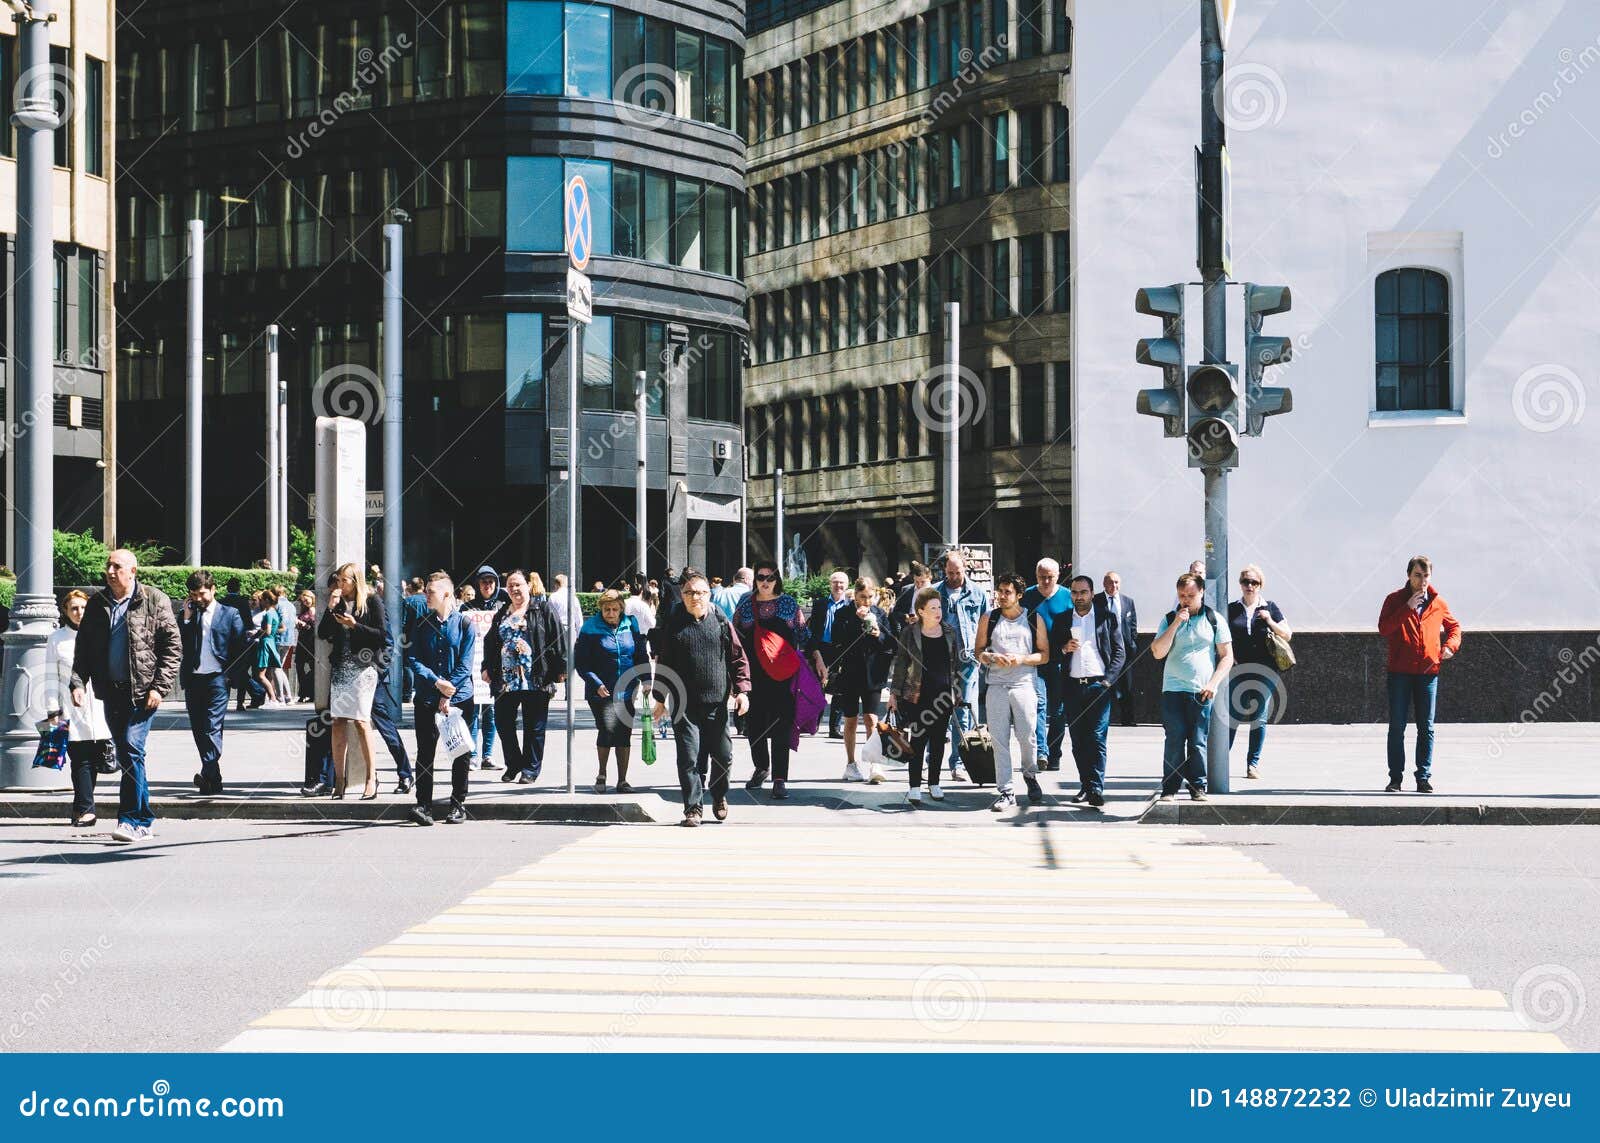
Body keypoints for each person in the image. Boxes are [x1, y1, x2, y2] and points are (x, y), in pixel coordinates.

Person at [69, 549, 181, 844]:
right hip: (111, 692)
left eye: (117, 566)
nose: (110, 571)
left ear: (133, 571)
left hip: (143, 693)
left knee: (131, 748)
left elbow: (172, 647)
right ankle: (143, 819)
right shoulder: (98, 603)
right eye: (108, 566)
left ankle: (131, 820)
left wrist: (159, 687)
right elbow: (84, 648)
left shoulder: (154, 599)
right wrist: (78, 683)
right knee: (130, 755)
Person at [652, 570, 751, 827]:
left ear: (709, 594)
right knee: (689, 757)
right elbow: (665, 663)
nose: (695, 597)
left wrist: (742, 691)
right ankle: (693, 809)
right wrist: (660, 699)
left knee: (723, 755)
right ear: (682, 595)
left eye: (700, 592)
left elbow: (737, 658)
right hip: (683, 704)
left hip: (716, 702)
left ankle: (719, 795)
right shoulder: (674, 624)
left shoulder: (720, 620)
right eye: (689, 592)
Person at [1379, 556, 1461, 794]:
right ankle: (1395, 779)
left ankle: (1423, 778)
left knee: (1426, 727)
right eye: (1417, 575)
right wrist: (1407, 608)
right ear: (1408, 575)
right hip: (1399, 673)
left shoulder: (1437, 602)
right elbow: (1384, 628)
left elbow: (1454, 627)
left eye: (1426, 576)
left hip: (1428, 673)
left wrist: (1450, 646)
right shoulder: (1394, 600)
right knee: (1397, 727)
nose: (1423, 581)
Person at [1151, 572, 1234, 802]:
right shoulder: (1169, 619)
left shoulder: (1213, 618)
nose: (1185, 600)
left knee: (1198, 741)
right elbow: (1157, 652)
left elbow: (1227, 656)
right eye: (1181, 596)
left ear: (1201, 592)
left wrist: (1213, 683)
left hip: (1202, 690)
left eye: (1190, 595)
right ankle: (1170, 788)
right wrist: (1177, 623)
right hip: (1173, 689)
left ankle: (1197, 786)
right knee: (1174, 738)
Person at [974, 573, 1050, 811]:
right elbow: (979, 651)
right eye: (999, 591)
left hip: (1024, 684)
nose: (1002, 596)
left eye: (1007, 592)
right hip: (997, 684)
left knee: (1027, 736)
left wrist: (1021, 659)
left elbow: (1044, 655)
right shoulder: (989, 618)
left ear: (1019, 595)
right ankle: (1006, 791)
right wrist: (991, 657)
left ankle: (1030, 774)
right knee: (999, 740)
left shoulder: (1033, 618)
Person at [734, 560, 810, 799]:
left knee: (781, 727)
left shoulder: (788, 604)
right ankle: (761, 767)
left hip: (783, 677)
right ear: (754, 579)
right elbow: (734, 639)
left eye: (770, 578)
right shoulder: (746, 604)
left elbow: (804, 635)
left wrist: (816, 661)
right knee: (754, 726)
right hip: (753, 676)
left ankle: (779, 778)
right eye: (760, 577)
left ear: (777, 580)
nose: (765, 582)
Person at [406, 572, 477, 824]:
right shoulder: (421, 623)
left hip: (459, 698)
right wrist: (437, 683)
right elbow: (413, 658)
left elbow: (466, 664)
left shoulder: (465, 624)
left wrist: (449, 690)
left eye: (431, 591)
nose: (426, 595)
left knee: (460, 752)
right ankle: (423, 804)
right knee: (425, 752)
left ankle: (457, 804)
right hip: (427, 697)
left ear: (446, 594)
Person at [483, 569, 565, 785]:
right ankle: (514, 763)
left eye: (518, 584)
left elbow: (557, 637)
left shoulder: (543, 609)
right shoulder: (502, 612)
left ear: (528, 585)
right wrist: (486, 667)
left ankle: (530, 769)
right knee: (503, 723)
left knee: (534, 726)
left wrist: (561, 667)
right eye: (510, 585)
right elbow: (490, 643)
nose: (514, 589)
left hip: (535, 677)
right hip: (505, 680)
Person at [887, 587, 962, 805]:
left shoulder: (949, 632)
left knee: (938, 741)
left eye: (939, 607)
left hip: (943, 696)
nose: (938, 612)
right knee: (918, 741)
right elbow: (901, 664)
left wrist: (956, 690)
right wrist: (894, 694)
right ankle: (914, 786)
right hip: (917, 695)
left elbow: (955, 665)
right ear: (921, 611)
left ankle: (934, 783)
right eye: (933, 608)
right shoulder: (910, 633)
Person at [317, 563, 385, 800]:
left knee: (361, 722)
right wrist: (330, 607)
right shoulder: (338, 603)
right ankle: (339, 780)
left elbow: (381, 636)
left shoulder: (371, 601)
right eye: (338, 580)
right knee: (337, 722)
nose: (340, 584)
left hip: (363, 669)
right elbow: (323, 633)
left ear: (355, 581)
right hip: (340, 669)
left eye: (344, 580)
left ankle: (371, 778)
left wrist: (355, 626)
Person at [1057, 575, 1126, 808]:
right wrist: (1064, 648)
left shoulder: (1106, 617)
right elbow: (1052, 652)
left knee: (1096, 738)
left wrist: (1107, 681)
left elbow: (1119, 652)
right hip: (1073, 686)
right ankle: (1085, 786)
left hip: (1098, 686)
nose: (1079, 597)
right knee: (1078, 741)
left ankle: (1096, 788)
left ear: (1092, 593)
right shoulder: (1063, 619)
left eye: (1083, 592)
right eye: (1075, 593)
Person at [177, 571, 248, 795]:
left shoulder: (230, 614)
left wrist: (231, 675)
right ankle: (212, 779)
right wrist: (186, 618)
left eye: (202, 593)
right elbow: (180, 643)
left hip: (218, 678)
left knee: (212, 727)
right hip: (193, 678)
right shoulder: (188, 615)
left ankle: (207, 773)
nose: (198, 599)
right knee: (199, 730)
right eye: (193, 595)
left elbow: (242, 647)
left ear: (213, 589)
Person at [50, 591, 113, 828]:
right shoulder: (56, 639)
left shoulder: (100, 634)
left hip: (99, 706)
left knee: (95, 760)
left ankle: (80, 807)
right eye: (74, 608)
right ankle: (87, 810)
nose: (79, 613)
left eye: (83, 608)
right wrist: (52, 711)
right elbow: (49, 677)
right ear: (65, 612)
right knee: (79, 759)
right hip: (71, 708)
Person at [1227, 564, 1293, 780]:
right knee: (1232, 716)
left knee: (1258, 717)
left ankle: (1252, 764)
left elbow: (1287, 634)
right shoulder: (1231, 608)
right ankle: (1220, 761)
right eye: (1245, 581)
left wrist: (1269, 620)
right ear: (1240, 584)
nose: (1249, 585)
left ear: (1260, 585)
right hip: (1238, 669)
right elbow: (1222, 636)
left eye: (1254, 582)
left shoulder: (1270, 607)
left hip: (1266, 670)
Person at [574, 589, 642, 793]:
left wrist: (647, 680)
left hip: (627, 689)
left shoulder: (631, 624)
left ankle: (622, 780)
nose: (610, 613)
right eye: (606, 610)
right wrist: (596, 683)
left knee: (624, 732)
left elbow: (640, 655)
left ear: (621, 609)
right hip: (601, 691)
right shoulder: (590, 628)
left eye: (614, 609)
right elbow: (581, 663)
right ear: (601, 609)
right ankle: (602, 773)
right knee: (608, 729)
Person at [827, 576, 893, 782]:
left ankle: (875, 764)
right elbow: (837, 641)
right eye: (862, 596)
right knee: (851, 719)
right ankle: (851, 764)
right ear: (855, 595)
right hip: (850, 672)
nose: (866, 601)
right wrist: (858, 622)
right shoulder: (843, 614)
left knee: (872, 718)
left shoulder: (880, 614)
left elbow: (890, 643)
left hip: (873, 673)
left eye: (870, 596)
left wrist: (878, 634)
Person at [937, 551, 990, 783]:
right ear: (944, 571)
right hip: (940, 659)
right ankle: (931, 759)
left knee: (964, 709)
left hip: (968, 659)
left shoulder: (977, 593)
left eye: (957, 572)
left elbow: (985, 624)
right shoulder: (935, 592)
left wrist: (982, 653)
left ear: (965, 568)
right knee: (936, 710)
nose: (954, 577)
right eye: (950, 573)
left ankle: (958, 763)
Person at [1022, 558, 1075, 772]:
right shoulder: (1027, 596)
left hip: (1060, 661)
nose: (1045, 581)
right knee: (1038, 705)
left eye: (1050, 577)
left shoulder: (1067, 597)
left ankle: (1054, 754)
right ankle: (1041, 752)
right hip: (1036, 660)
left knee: (1059, 711)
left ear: (1058, 576)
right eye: (1041, 577)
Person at [459, 575, 502, 772]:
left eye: (491, 582)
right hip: (473, 667)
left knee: (491, 713)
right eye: (484, 582)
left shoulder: (502, 607)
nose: (487, 586)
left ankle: (488, 756)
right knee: (473, 714)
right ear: (478, 585)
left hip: (493, 668)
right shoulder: (466, 608)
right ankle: (473, 755)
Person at [806, 570, 853, 739]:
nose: (838, 585)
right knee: (818, 687)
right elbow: (812, 630)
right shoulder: (820, 604)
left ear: (847, 585)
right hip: (821, 649)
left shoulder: (851, 605)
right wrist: (814, 651)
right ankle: (814, 724)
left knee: (840, 689)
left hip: (841, 649)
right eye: (835, 582)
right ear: (830, 584)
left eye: (841, 582)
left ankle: (835, 728)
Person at [1096, 572, 1139, 727]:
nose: (1114, 585)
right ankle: (1103, 718)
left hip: (1125, 649)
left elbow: (1132, 624)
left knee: (1127, 685)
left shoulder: (1128, 601)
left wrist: (1132, 642)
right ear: (1104, 584)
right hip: (1105, 648)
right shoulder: (1096, 601)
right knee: (1105, 683)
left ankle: (1128, 719)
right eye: (1110, 582)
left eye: (1116, 582)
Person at [221, 577, 265, 710]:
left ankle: (224, 702)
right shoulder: (242, 602)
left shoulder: (221, 602)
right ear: (238, 588)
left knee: (225, 672)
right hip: (241, 643)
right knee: (242, 671)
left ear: (227, 588)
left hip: (225, 642)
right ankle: (240, 702)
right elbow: (248, 623)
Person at [250, 590, 283, 705]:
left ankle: (272, 699)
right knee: (268, 674)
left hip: (265, 643)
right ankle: (272, 698)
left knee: (260, 675)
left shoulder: (268, 613)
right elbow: (277, 629)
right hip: (271, 642)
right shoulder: (275, 613)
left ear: (267, 600)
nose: (261, 602)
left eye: (262, 600)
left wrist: (256, 633)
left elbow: (267, 631)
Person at [547, 572, 584, 655]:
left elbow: (549, 616)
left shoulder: (552, 597)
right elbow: (578, 618)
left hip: (557, 630)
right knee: (571, 654)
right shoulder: (573, 598)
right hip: (571, 629)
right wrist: (579, 635)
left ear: (556, 584)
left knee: (558, 655)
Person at [890, 561, 933, 629]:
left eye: (923, 582)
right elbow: (896, 611)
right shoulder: (906, 590)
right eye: (916, 581)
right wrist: (905, 617)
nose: (919, 585)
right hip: (910, 630)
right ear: (913, 578)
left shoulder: (937, 591)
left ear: (930, 578)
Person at [294, 589, 317, 701]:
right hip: (302, 640)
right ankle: (304, 692)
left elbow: (314, 627)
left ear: (312, 598)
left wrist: (304, 625)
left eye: (306, 600)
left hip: (311, 641)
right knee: (299, 666)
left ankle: (308, 692)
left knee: (313, 667)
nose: (305, 602)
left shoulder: (314, 610)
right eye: (303, 601)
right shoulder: (304, 611)